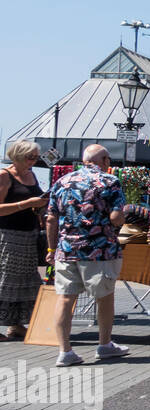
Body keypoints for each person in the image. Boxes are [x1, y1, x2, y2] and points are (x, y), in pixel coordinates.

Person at [44, 144, 130, 367]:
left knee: (65, 299)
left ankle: (65, 351)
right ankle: (104, 345)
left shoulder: (61, 182)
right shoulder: (110, 182)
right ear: (104, 160)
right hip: (98, 250)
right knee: (104, 297)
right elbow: (115, 217)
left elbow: (51, 219)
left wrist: (52, 249)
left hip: (66, 250)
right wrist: (124, 215)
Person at [0, 140, 48, 340]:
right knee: (4, 282)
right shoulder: (4, 175)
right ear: (18, 155)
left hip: (29, 235)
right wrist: (26, 203)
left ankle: (16, 324)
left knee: (24, 281)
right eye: (30, 157)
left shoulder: (31, 175)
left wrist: (41, 207)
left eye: (36, 157)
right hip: (8, 235)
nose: (34, 161)